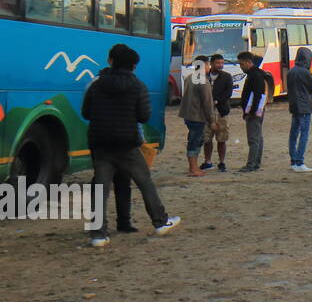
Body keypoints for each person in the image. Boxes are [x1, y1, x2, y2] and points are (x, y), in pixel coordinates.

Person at [81, 43, 180, 247]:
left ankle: (98, 234)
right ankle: (160, 222)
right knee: (144, 182)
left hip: (100, 143)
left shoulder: (96, 84)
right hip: (127, 143)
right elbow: (143, 116)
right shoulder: (138, 86)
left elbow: (86, 113)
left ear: (111, 61)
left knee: (100, 188)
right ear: (133, 66)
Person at [179, 56, 216, 177]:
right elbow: (208, 103)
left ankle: (192, 167)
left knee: (193, 140)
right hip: (197, 116)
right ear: (205, 65)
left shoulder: (189, 78)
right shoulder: (203, 81)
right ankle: (193, 169)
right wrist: (212, 121)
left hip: (188, 115)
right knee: (195, 142)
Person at [235, 51, 270, 172]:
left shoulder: (254, 76)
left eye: (242, 64)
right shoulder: (257, 74)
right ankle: (256, 163)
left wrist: (251, 111)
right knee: (258, 137)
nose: (241, 67)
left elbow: (257, 95)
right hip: (256, 110)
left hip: (253, 111)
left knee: (253, 138)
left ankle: (251, 164)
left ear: (249, 63)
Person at [285, 47, 312, 171]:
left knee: (293, 134)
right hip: (304, 106)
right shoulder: (306, 72)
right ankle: (299, 162)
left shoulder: (291, 71)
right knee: (303, 134)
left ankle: (293, 161)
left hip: (294, 106)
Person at [200, 54, 234, 172]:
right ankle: (208, 161)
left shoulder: (227, 77)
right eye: (218, 63)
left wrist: (216, 101)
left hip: (221, 111)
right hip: (206, 113)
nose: (220, 65)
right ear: (211, 64)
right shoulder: (204, 76)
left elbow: (228, 93)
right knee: (207, 138)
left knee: (222, 138)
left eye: (222, 63)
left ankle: (222, 162)